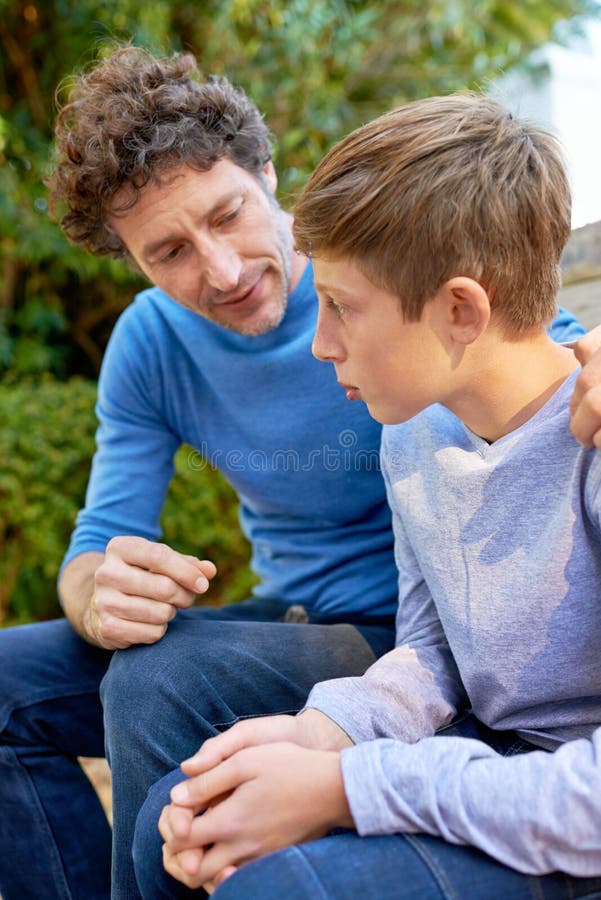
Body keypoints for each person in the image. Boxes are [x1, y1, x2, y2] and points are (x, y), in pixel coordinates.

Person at [0, 47, 598, 900]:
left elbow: (518, 347)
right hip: (321, 630)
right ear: (131, 263)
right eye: (166, 251)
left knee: (163, 678)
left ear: (268, 173)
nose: (222, 271)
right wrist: (97, 588)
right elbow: (102, 539)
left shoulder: (400, 297)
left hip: (401, 642)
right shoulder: (162, 349)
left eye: (229, 215)